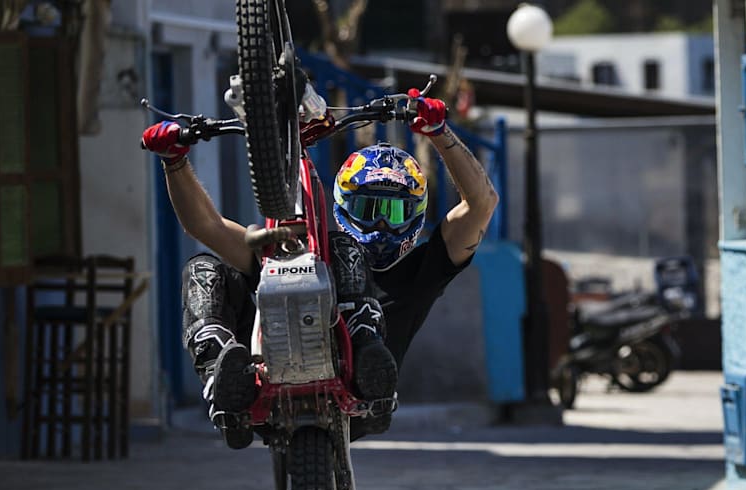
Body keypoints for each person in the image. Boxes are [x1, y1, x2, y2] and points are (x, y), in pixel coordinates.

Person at [142, 88, 498, 448]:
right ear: (343, 207)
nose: (381, 227)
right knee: (203, 269)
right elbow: (207, 227)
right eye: (368, 210)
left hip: (362, 399)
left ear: (416, 216)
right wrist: (174, 162)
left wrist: (439, 132)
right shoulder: (298, 257)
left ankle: (365, 346)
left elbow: (481, 203)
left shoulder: (425, 269)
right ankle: (219, 370)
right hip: (256, 395)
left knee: (344, 250)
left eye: (394, 213)